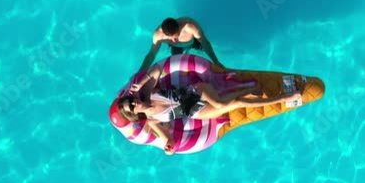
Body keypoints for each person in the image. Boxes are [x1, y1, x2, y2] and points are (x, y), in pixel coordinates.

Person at [117, 76, 302, 154]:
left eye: (131, 100)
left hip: (195, 92)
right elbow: (170, 140)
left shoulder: (148, 91)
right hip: (194, 111)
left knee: (225, 103)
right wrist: (169, 150)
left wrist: (140, 84)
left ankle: (287, 97)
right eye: (132, 107)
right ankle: (253, 90)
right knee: (230, 103)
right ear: (134, 114)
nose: (135, 103)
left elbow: (156, 71)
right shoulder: (152, 121)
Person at [138, 17, 222, 72]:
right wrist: (142, 70)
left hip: (193, 42)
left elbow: (205, 43)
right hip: (176, 48)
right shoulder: (158, 35)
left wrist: (216, 61)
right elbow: (152, 54)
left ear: (179, 28)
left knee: (206, 46)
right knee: (178, 64)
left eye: (176, 37)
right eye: (170, 40)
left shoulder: (190, 27)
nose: (174, 41)